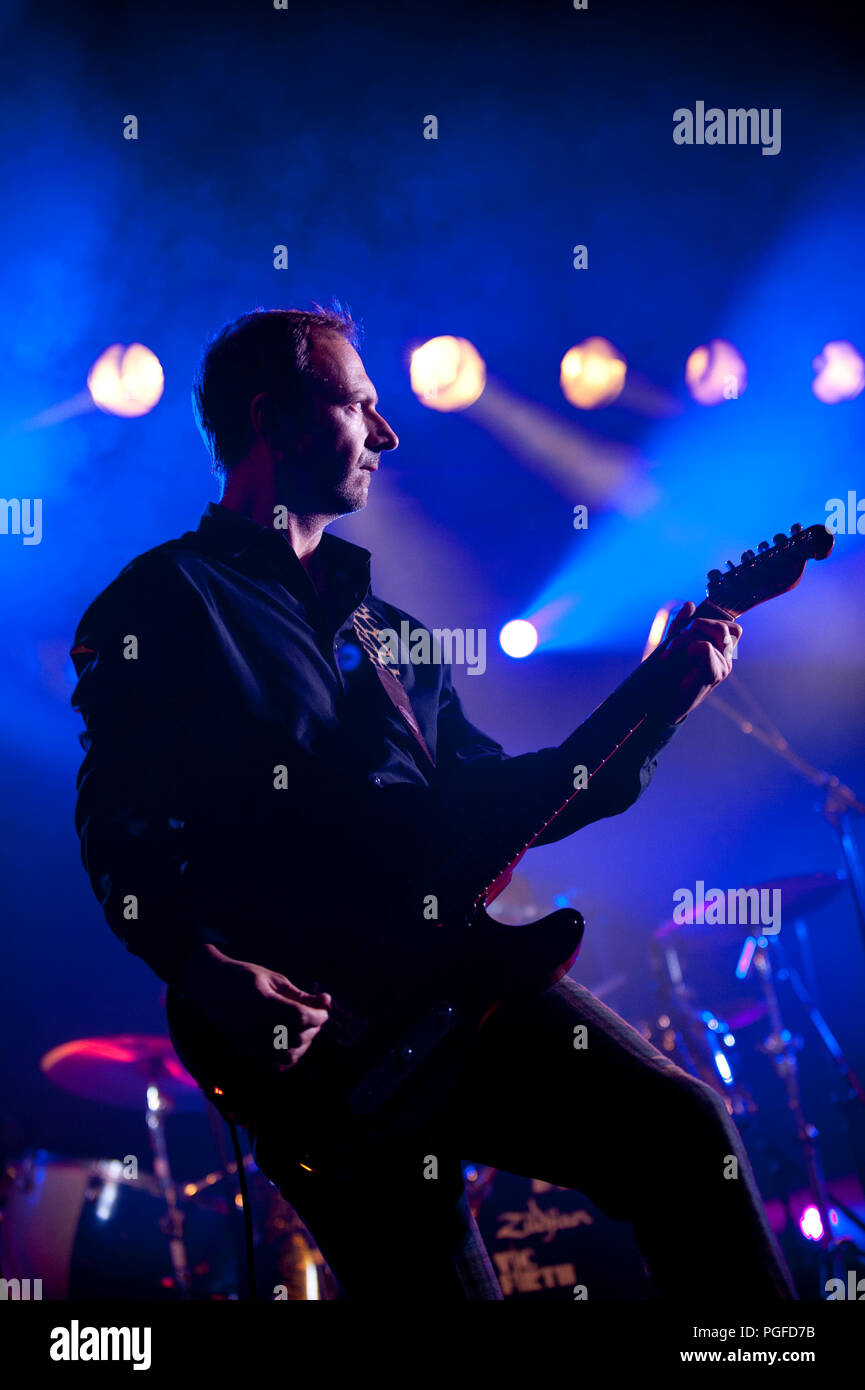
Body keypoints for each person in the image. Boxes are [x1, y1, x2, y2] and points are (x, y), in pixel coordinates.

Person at [71, 305, 795, 1301]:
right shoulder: (165, 603)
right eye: (360, 405)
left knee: (682, 1134)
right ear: (271, 419)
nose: (387, 433)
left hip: (454, 988)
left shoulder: (390, 634)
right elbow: (116, 833)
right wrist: (205, 971)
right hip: (319, 1054)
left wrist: (662, 696)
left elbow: (511, 800)